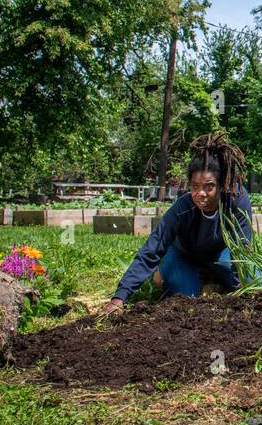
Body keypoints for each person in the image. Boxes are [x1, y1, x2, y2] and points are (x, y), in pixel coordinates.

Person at [104, 133, 252, 313]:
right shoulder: (183, 207)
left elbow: (243, 247)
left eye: (209, 186)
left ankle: (210, 273)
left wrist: (241, 294)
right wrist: (119, 297)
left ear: (221, 185)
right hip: (183, 254)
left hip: (218, 253)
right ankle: (165, 271)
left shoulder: (236, 199)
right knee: (186, 300)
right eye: (195, 186)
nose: (201, 193)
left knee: (253, 283)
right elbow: (153, 246)